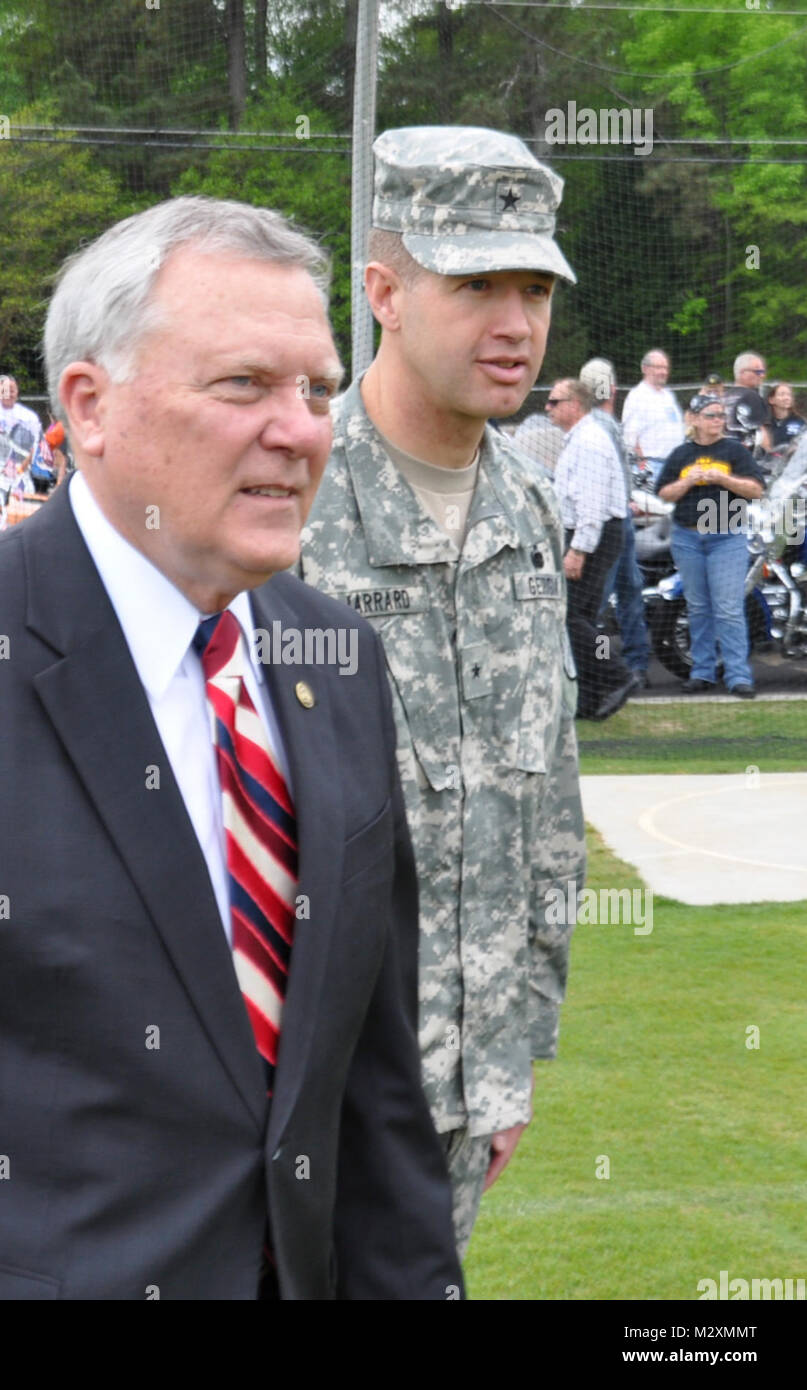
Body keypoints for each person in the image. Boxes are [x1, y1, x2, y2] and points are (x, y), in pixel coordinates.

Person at [0, 197, 462, 1301]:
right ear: (89, 408)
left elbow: (373, 1098)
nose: (299, 429)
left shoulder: (335, 659)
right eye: (244, 384)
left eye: (318, 389)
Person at [300, 126, 587, 1253]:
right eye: (473, 284)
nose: (514, 325)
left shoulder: (525, 507)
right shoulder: (285, 501)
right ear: (382, 291)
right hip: (302, 1091)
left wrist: (509, 1055)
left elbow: (543, 801)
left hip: (467, 1094)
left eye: (532, 286)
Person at [657, 394, 765, 697]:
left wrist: (724, 478)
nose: (718, 421)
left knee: (728, 608)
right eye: (711, 415)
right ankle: (702, 673)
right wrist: (687, 481)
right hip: (688, 537)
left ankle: (738, 677)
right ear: (694, 419)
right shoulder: (681, 454)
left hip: (727, 536)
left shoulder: (734, 451)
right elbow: (664, 493)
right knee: (698, 608)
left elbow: (756, 490)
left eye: (720, 416)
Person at [550, 379, 640, 720]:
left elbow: (592, 504)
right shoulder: (580, 440)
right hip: (594, 535)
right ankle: (591, 695)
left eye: (555, 401)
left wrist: (578, 549)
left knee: (567, 616)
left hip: (593, 536)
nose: (549, 407)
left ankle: (616, 673)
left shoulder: (588, 443)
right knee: (586, 619)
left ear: (575, 404)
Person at [580, 357, 651, 686]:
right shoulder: (601, 425)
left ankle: (618, 665)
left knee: (622, 593)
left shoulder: (592, 423)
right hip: (611, 524)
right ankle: (614, 666)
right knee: (615, 597)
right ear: (611, 388)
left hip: (614, 520)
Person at [621, 348, 685, 487]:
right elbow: (630, 437)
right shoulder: (637, 396)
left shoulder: (669, 395)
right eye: (658, 367)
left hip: (674, 466)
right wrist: (643, 468)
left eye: (666, 368)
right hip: (652, 467)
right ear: (645, 368)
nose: (664, 372)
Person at [723, 351, 769, 452]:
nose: (762, 376)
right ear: (743, 373)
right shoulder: (752, 397)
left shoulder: (723, 397)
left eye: (763, 372)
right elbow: (762, 434)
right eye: (758, 372)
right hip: (743, 457)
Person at [764, 381, 806, 454]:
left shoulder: (800, 421)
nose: (786, 398)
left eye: (789, 395)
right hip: (768, 461)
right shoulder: (764, 422)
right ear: (771, 400)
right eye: (782, 394)